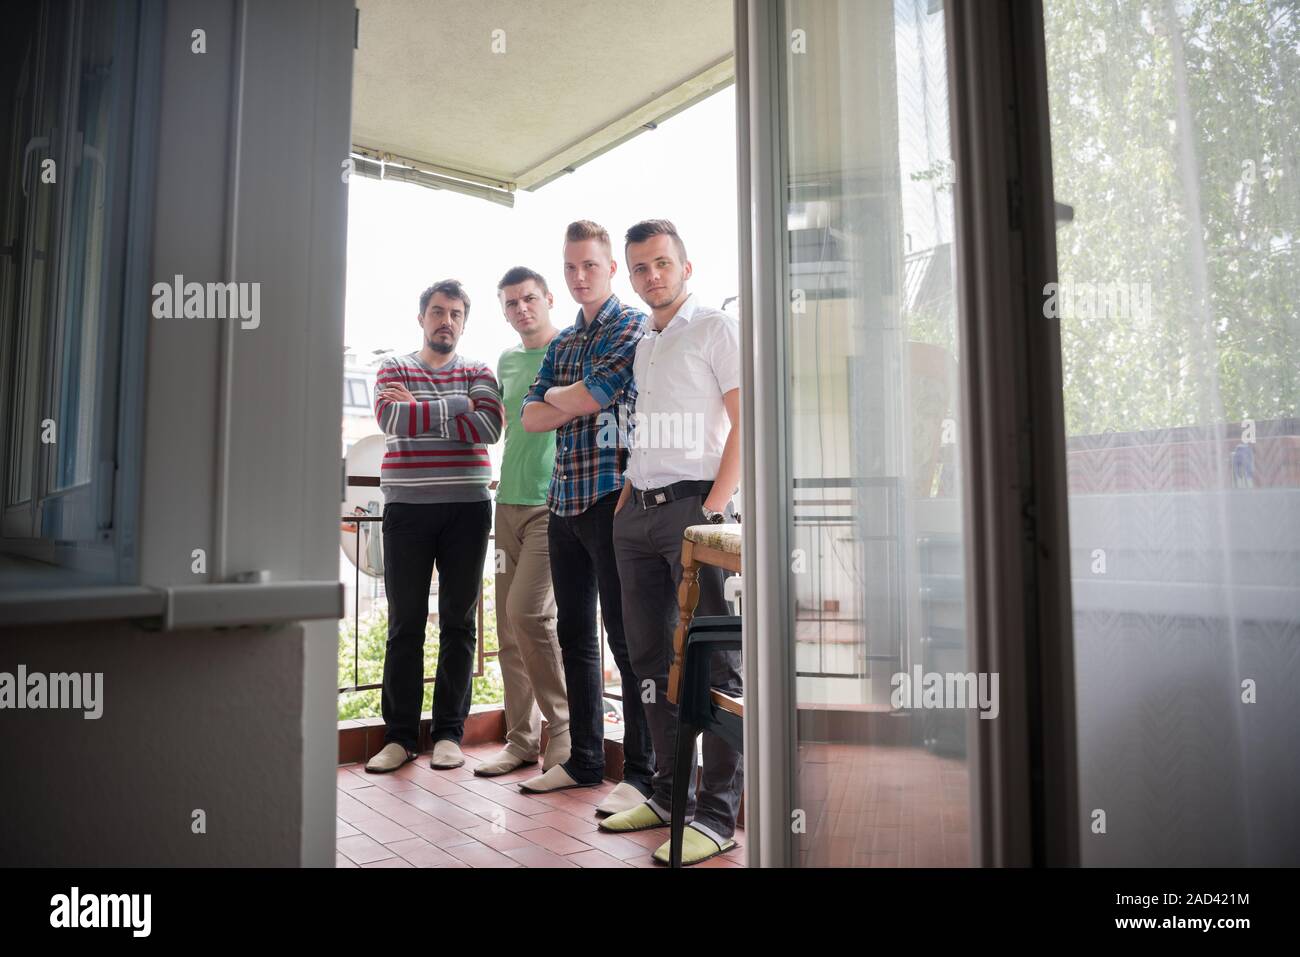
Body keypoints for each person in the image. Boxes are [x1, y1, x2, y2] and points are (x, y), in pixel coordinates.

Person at [601, 220, 743, 865]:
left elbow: (749, 422)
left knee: (715, 661)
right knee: (648, 657)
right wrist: (630, 489)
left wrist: (712, 512)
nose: (650, 275)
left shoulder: (715, 327)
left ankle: (716, 817)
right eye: (639, 268)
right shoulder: (644, 344)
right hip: (638, 514)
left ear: (686, 267)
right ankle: (666, 794)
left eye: (661, 263)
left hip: (696, 508)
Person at [517, 220, 655, 817]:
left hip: (609, 499)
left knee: (628, 639)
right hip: (562, 501)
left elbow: (592, 399)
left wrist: (561, 399)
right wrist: (562, 398)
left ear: (610, 269)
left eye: (590, 267)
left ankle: (645, 774)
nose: (578, 277)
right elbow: (528, 417)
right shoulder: (561, 342)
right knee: (575, 634)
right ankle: (586, 760)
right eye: (570, 267)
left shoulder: (630, 325)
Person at [365, 280, 503, 774]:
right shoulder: (393, 367)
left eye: (457, 314)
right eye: (438, 312)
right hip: (407, 508)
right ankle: (400, 738)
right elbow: (391, 418)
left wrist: (425, 411)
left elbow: (490, 429)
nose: (447, 321)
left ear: (465, 322)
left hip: (467, 508)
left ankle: (449, 734)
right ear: (422, 317)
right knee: (405, 625)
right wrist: (459, 405)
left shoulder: (479, 370)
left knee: (459, 624)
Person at [474, 267, 572, 777]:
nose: (521, 309)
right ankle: (520, 740)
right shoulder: (508, 360)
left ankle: (564, 735)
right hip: (505, 504)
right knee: (508, 626)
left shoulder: (570, 350)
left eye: (529, 299)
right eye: (510, 303)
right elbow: (506, 425)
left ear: (548, 298)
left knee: (530, 614)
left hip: (549, 506)